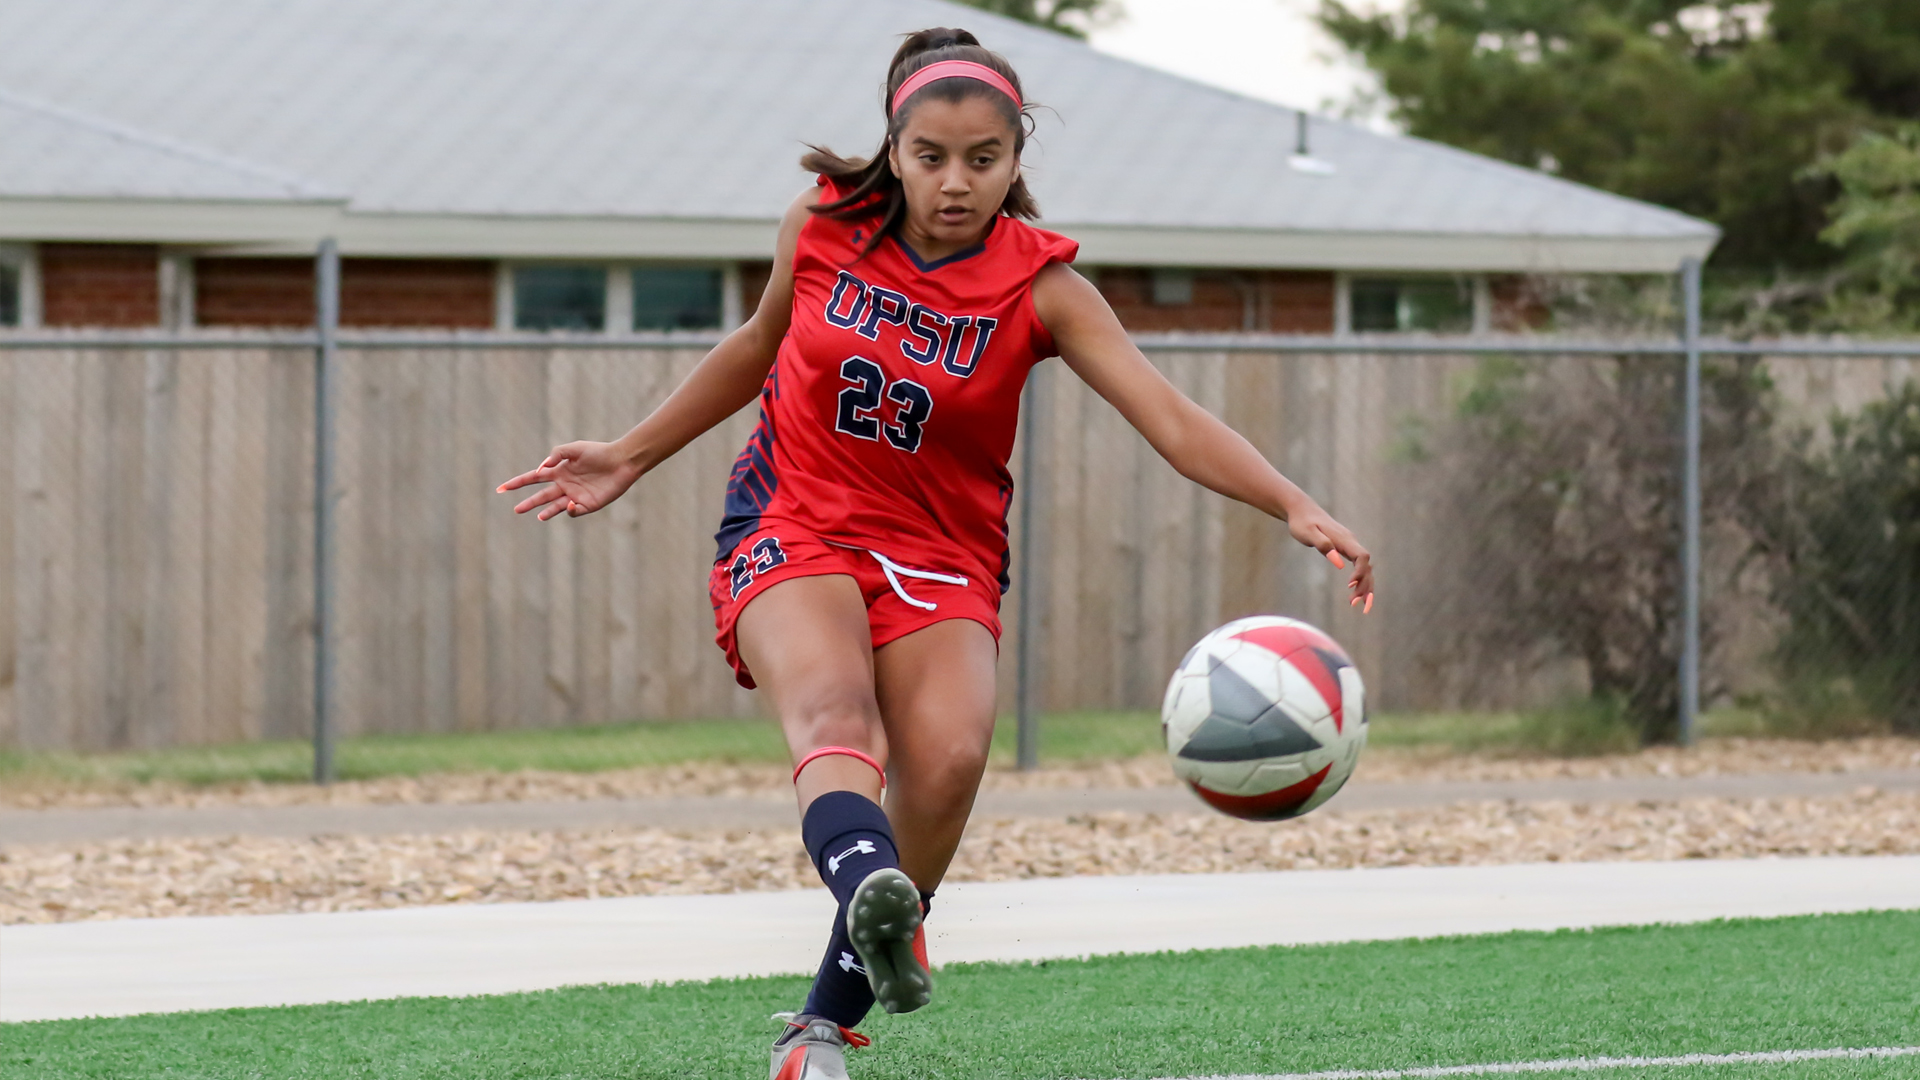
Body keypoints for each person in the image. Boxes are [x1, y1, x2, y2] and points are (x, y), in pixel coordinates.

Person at [498, 26, 1374, 1080]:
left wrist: (1292, 503)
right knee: (836, 715)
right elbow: (758, 345)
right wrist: (630, 454)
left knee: (951, 760)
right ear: (895, 148)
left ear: (1017, 156)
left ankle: (821, 1025)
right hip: (794, 517)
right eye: (931, 157)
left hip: (941, 553)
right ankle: (875, 898)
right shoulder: (822, 225)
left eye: (983, 159)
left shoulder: (1043, 287)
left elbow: (1172, 420)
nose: (956, 181)